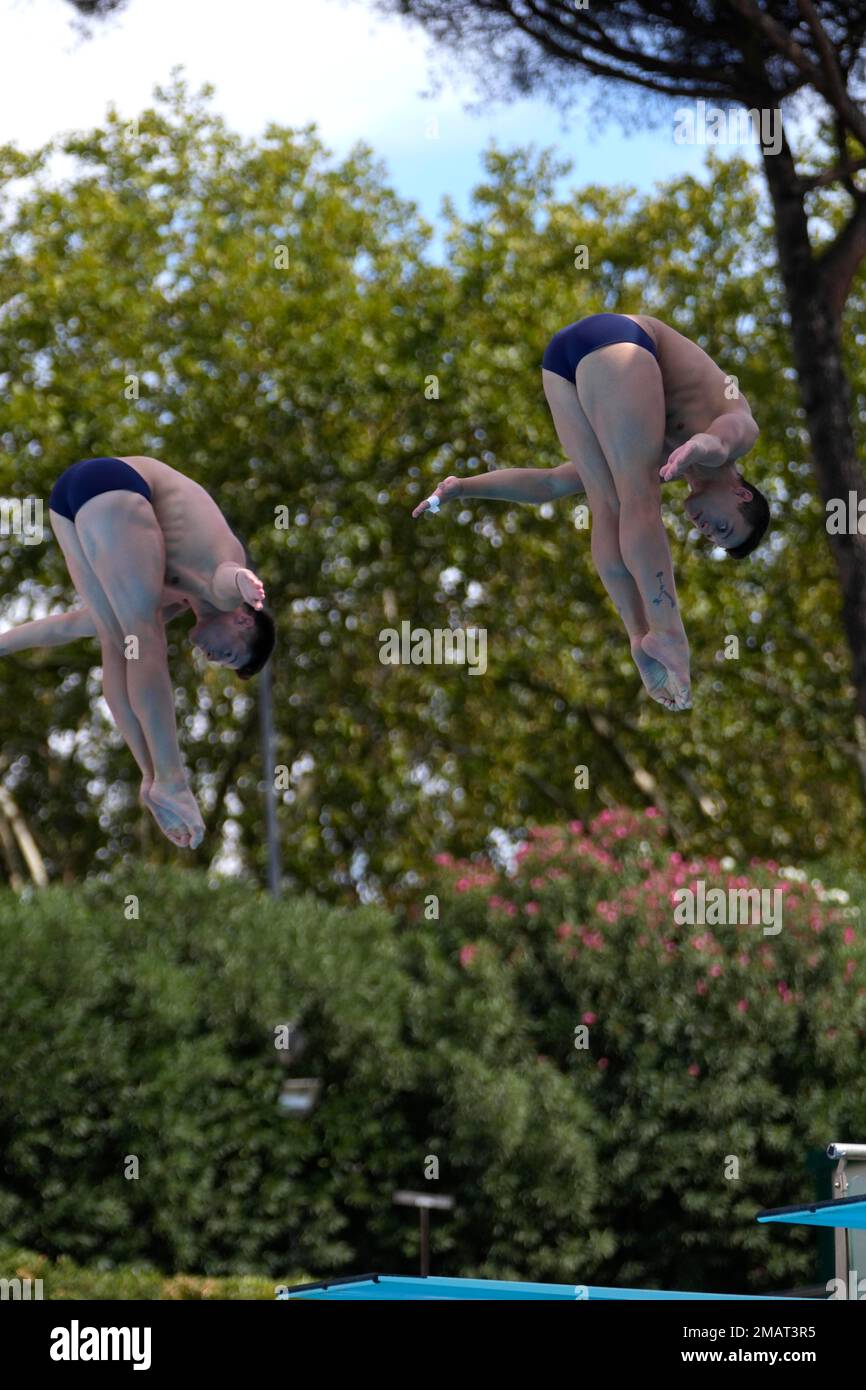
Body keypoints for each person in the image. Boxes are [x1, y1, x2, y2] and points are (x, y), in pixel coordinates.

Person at [413, 312, 769, 711]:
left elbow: (550, 483)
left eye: (711, 537)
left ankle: (639, 635)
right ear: (741, 495)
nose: (706, 528)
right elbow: (722, 440)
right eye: (723, 526)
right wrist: (699, 447)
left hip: (560, 363)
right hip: (621, 341)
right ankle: (668, 633)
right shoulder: (742, 433)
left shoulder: (664, 458)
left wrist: (462, 488)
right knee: (637, 497)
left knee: (608, 504)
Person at [0, 455, 275, 848]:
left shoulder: (176, 598)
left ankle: (153, 776)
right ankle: (173, 780)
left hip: (68, 499)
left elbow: (71, 625)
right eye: (230, 655)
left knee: (117, 640)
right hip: (116, 484)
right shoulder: (224, 589)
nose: (214, 660)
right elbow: (226, 579)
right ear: (243, 622)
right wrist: (245, 581)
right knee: (142, 637)